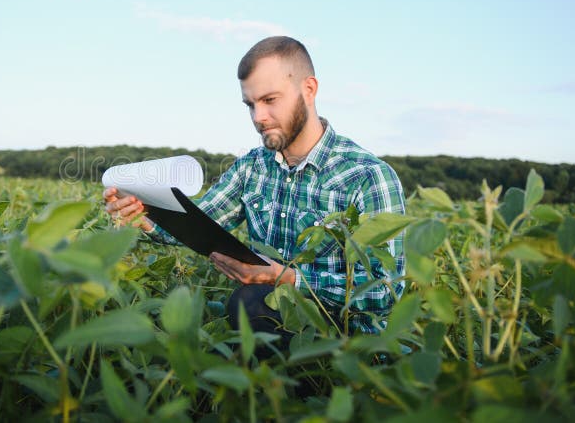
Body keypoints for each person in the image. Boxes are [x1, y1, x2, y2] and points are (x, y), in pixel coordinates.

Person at [103, 36, 405, 335]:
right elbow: (200, 223)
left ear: (309, 89)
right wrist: (145, 215)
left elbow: (386, 291)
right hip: (268, 317)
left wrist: (288, 279)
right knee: (245, 307)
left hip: (348, 338)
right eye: (250, 104)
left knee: (251, 302)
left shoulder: (368, 175)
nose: (259, 117)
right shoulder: (252, 166)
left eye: (270, 100)